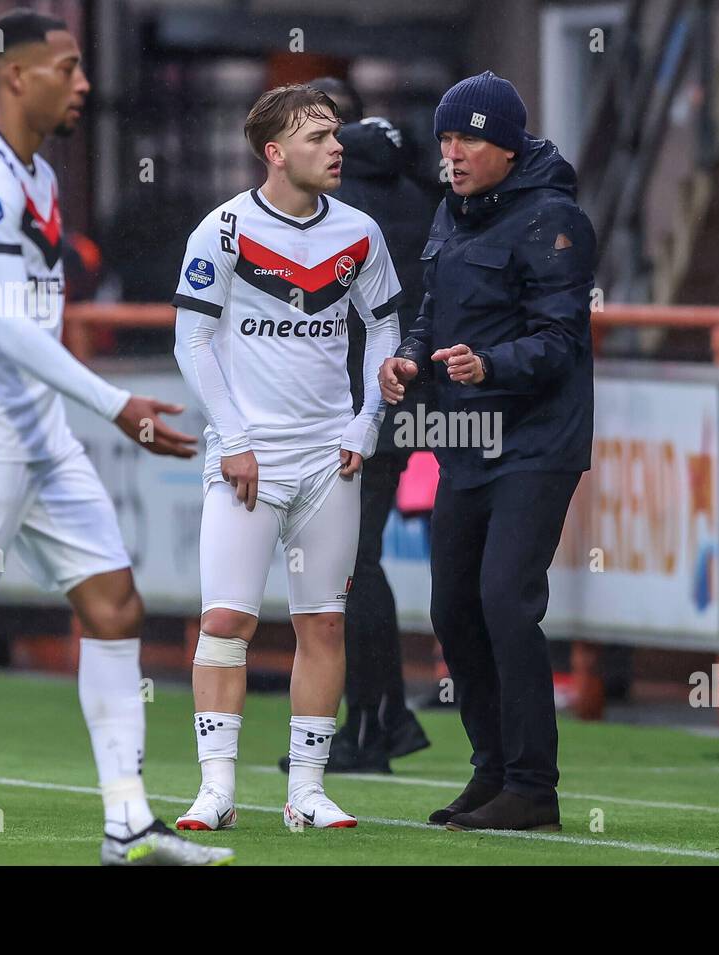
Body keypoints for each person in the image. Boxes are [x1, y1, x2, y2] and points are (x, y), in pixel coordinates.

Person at [0, 9, 231, 866]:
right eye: (68, 68)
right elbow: (4, 329)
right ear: (15, 75)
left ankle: (126, 823)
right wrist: (118, 404)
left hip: (38, 434)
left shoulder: (36, 171)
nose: (83, 84)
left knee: (114, 603)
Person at [171, 85, 401, 831]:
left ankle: (307, 790)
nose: (336, 148)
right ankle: (216, 790)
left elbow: (385, 331)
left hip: (329, 456)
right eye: (317, 137)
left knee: (324, 624)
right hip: (250, 460)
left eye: (336, 134)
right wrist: (234, 439)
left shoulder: (361, 232)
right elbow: (193, 341)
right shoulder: (225, 230)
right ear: (274, 153)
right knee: (226, 618)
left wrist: (366, 423)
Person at [380, 71, 596, 831]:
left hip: (537, 439)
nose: (453, 152)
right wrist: (410, 357)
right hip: (465, 436)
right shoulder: (454, 210)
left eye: (468, 137)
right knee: (452, 606)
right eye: (444, 138)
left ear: (507, 144)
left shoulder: (553, 219)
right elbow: (431, 310)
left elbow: (562, 341)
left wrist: (491, 364)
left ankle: (534, 785)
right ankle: (492, 769)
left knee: (507, 599)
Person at [261, 75, 435, 773]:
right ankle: (378, 719)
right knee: (355, 562)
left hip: (345, 407)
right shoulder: (420, 188)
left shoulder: (328, 208)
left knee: (346, 565)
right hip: (406, 398)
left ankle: (375, 724)